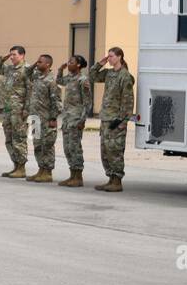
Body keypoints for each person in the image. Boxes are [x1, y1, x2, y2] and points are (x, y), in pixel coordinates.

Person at [90, 46, 135, 192]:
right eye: (108, 56)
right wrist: (100, 64)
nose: (109, 59)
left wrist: (124, 121)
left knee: (115, 150)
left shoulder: (124, 76)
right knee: (105, 151)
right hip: (106, 118)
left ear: (119, 57)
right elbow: (92, 76)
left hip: (116, 120)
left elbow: (128, 101)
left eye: (111, 56)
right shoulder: (109, 73)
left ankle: (117, 181)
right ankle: (110, 179)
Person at [0, 45, 31, 178]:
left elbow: (30, 90)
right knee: (9, 139)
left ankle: (21, 167)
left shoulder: (27, 70)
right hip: (8, 108)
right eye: (10, 54)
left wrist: (26, 109)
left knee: (19, 138)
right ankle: (15, 165)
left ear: (22, 55)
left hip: (19, 110)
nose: (12, 57)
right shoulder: (9, 69)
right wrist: (3, 58)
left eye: (14, 54)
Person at [55, 54, 92, 187]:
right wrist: (60, 69)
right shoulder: (70, 78)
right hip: (67, 119)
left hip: (76, 119)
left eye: (71, 62)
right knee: (67, 148)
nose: (68, 63)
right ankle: (72, 175)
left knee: (75, 147)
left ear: (78, 65)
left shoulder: (83, 80)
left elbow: (87, 103)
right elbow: (58, 80)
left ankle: (78, 176)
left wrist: (82, 120)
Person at [25, 54, 61, 183]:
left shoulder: (51, 80)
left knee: (47, 145)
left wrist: (53, 118)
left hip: (46, 119)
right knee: (37, 144)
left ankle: (48, 172)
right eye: (37, 62)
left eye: (40, 62)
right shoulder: (36, 76)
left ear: (48, 65)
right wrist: (35, 64)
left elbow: (56, 102)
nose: (37, 63)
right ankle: (41, 169)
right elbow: (26, 72)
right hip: (35, 117)